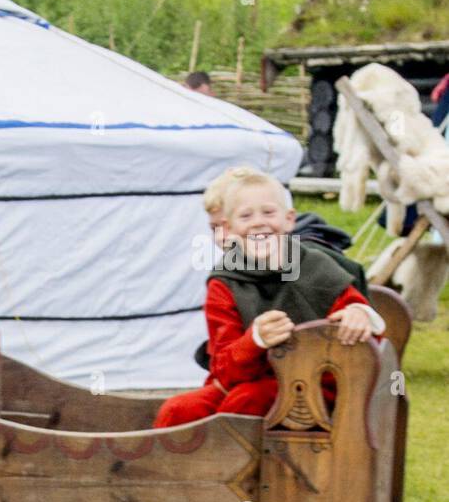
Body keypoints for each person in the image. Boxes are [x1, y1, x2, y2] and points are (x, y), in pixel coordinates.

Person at [154, 171, 385, 427]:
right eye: (246, 216)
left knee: (246, 401)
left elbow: (361, 319)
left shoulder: (317, 266)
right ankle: (169, 467)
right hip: (245, 380)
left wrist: (359, 313)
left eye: (268, 213)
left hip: (315, 385)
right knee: (178, 411)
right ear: (229, 228)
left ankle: (240, 467)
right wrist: (255, 340)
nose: (257, 223)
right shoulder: (224, 283)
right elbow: (224, 370)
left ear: (289, 220)